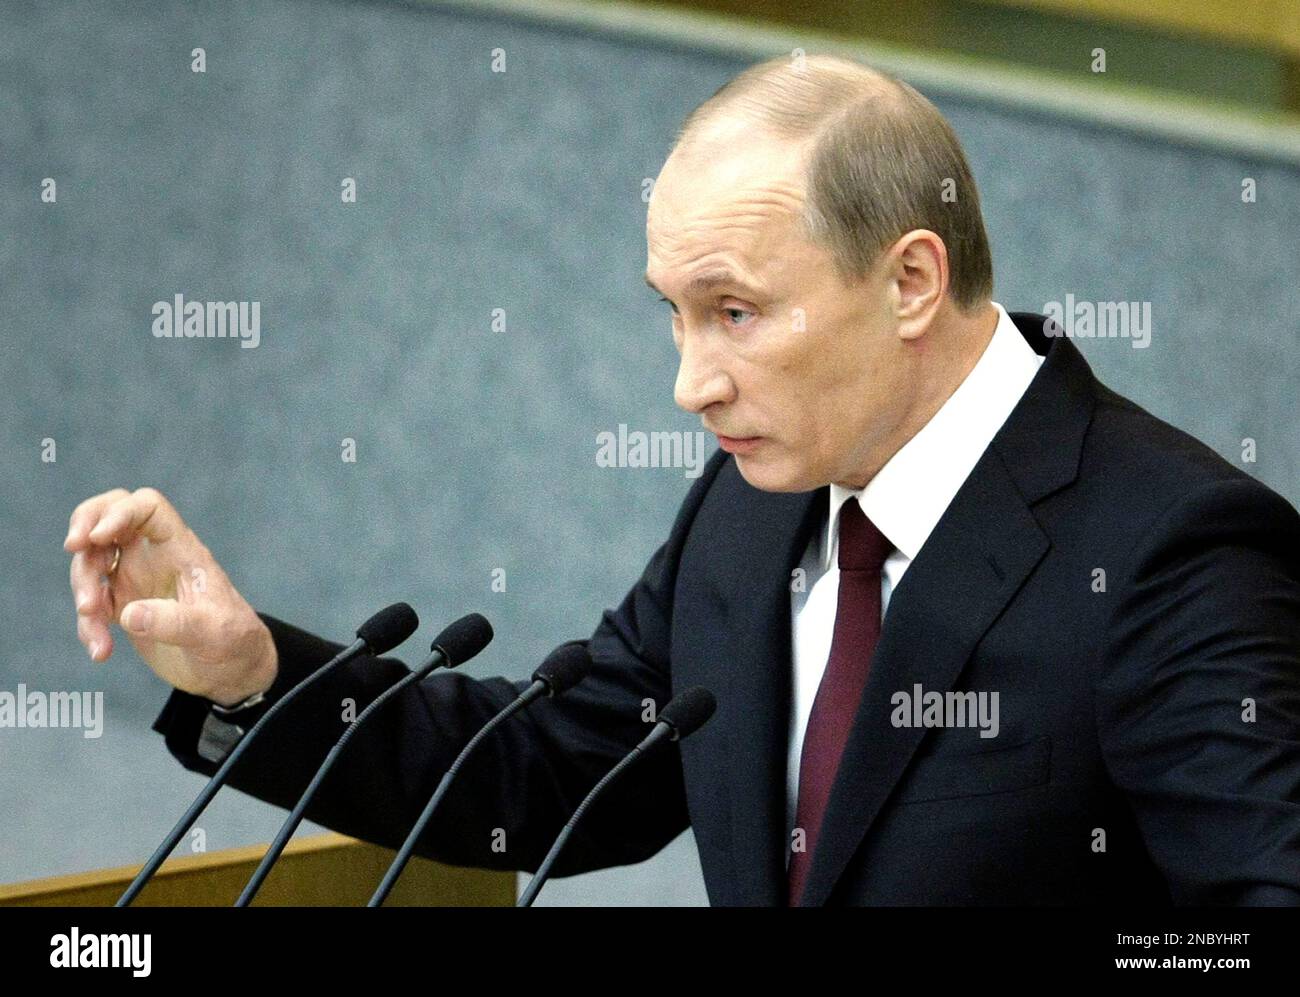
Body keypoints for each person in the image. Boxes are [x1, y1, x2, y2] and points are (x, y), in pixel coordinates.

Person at [65, 54, 1300, 905]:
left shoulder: (1169, 553)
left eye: (736, 314)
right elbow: (555, 769)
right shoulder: (758, 507)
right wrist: (255, 677)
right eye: (674, 315)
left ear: (911, 280)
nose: (689, 385)